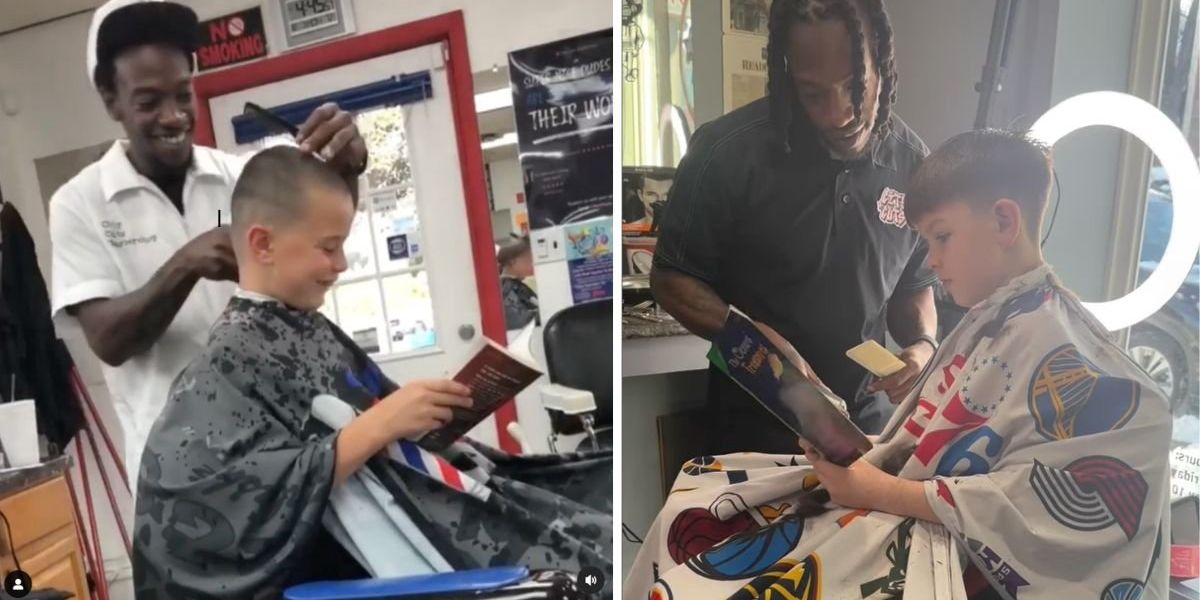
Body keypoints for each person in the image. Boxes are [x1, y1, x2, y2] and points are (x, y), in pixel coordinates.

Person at [625, 130, 1172, 599]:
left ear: (1004, 221)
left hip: (940, 548)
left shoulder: (1067, 350)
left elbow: (1056, 509)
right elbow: (930, 450)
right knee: (698, 494)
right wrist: (852, 451)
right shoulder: (991, 320)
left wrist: (875, 489)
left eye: (942, 236)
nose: (931, 259)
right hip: (901, 510)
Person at [133, 147, 612, 598]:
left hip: (430, 503)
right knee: (594, 568)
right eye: (328, 247)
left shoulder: (306, 326)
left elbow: (367, 420)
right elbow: (223, 505)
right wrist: (383, 422)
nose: (341, 264)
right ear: (263, 244)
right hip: (383, 552)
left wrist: (426, 410)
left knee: (604, 490)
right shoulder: (230, 359)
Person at [48, 0, 368, 487]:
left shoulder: (236, 178)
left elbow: (314, 251)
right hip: (176, 471)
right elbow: (108, 341)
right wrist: (187, 263)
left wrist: (346, 168)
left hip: (276, 445)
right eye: (149, 102)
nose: (173, 116)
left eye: (184, 95)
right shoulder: (81, 203)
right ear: (112, 101)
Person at [651, 0, 938, 453]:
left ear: (882, 61)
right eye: (813, 94)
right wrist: (745, 333)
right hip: (753, 429)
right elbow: (671, 278)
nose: (838, 114)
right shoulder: (725, 153)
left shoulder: (913, 164)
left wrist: (922, 346)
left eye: (855, 85)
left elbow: (914, 285)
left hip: (866, 427)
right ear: (787, 75)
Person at [498, 236, 540, 330]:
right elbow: (515, 319)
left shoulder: (516, 286)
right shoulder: (507, 288)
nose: (534, 264)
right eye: (530, 260)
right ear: (513, 262)